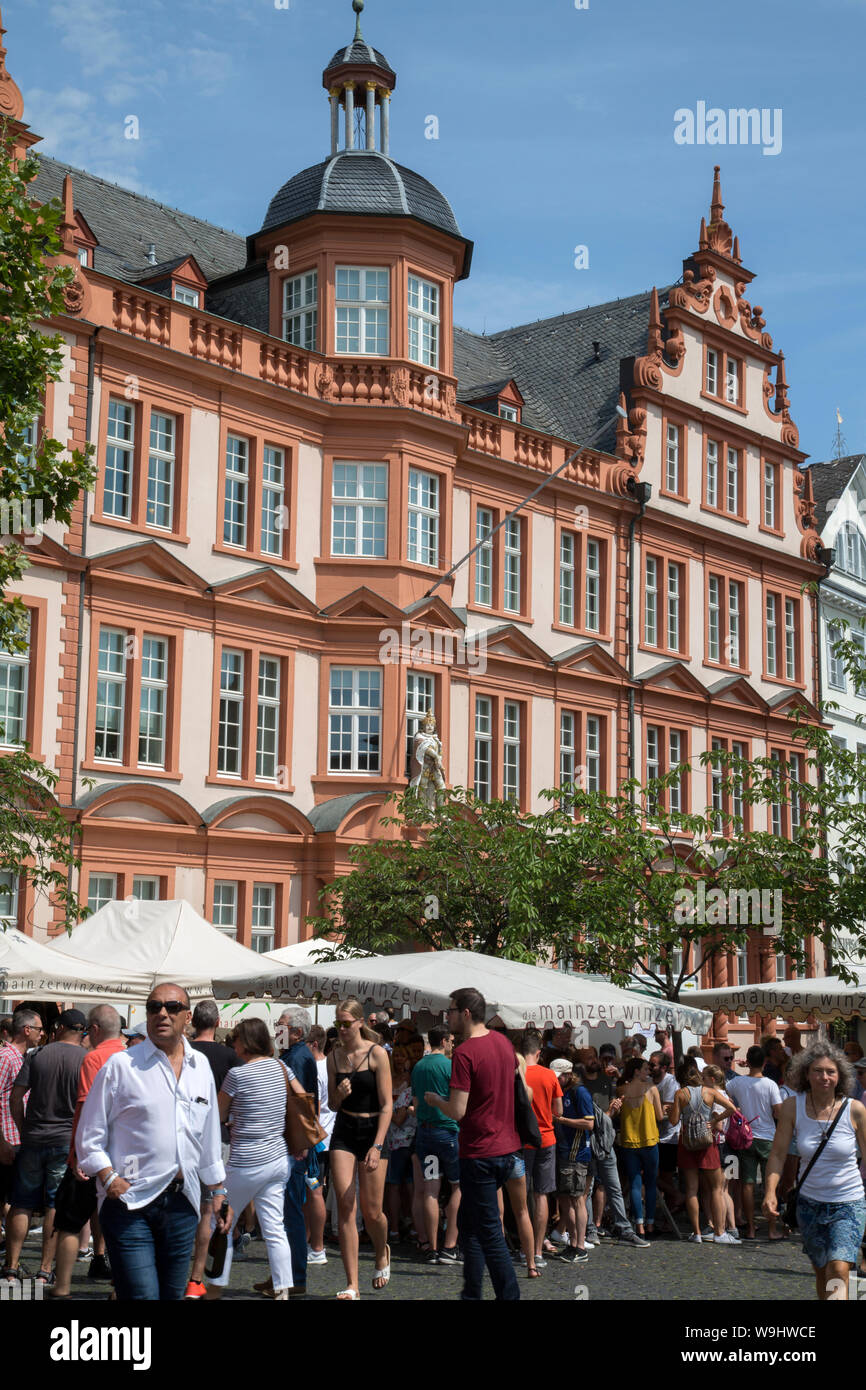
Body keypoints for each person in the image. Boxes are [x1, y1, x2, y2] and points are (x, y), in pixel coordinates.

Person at [76, 983, 231, 1301]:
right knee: (142, 1295)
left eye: (172, 1007)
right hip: (130, 1203)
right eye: (154, 1007)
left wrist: (217, 1190)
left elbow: (209, 1134)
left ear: (187, 1016)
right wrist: (108, 1177)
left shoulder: (199, 1065)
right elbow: (88, 1137)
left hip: (182, 1204)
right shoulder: (122, 1066)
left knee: (172, 1295)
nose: (162, 1013)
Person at [424, 988, 521, 1301]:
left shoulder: (465, 1053)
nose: (447, 1016)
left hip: (480, 1151)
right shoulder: (504, 1043)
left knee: (491, 1232)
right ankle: (471, 1292)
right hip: (507, 1148)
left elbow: (458, 1111)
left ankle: (509, 1295)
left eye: (450, 1010)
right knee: (469, 1224)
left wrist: (436, 1100)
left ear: (465, 1012)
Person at [208, 1018, 307, 1301]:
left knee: (223, 1224)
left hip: (246, 1160)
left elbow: (218, 1114)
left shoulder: (237, 1075)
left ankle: (214, 1287)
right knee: (275, 1227)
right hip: (277, 1157)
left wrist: (238, 1118)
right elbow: (302, 1097)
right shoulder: (281, 1067)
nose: (233, 1044)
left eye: (236, 1038)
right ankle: (282, 1289)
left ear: (246, 1041)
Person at [763, 1042, 866, 1300]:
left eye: (830, 1071)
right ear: (805, 1074)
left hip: (848, 1203)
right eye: (818, 1071)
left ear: (840, 1075)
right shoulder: (792, 1107)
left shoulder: (854, 1110)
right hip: (809, 1204)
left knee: (839, 1268)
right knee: (821, 1272)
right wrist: (770, 1192)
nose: (824, 1077)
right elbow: (777, 1154)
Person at [2, 1009, 86, 1286]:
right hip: (64, 1140)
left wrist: (23, 1128)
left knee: (22, 1202)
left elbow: (16, 1097)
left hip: (34, 1137)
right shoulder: (86, 1059)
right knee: (53, 1204)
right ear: (83, 1031)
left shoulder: (36, 1055)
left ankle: (11, 1269)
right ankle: (44, 1271)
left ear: (59, 1027)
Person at [49, 1004, 126, 1298]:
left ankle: (63, 1286)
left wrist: (77, 1154)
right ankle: (119, 1288)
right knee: (122, 1223)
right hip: (122, 1154)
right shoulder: (133, 1056)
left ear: (93, 1030)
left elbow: (84, 1108)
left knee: (70, 1221)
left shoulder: (95, 1058)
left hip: (94, 1152)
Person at [327, 998, 392, 1300]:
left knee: (372, 1210)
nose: (341, 1029)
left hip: (373, 1131)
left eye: (346, 1023)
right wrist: (338, 1095)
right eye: (338, 1023)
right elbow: (331, 1104)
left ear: (360, 1022)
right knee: (345, 1204)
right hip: (344, 1130)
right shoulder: (334, 1056)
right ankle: (352, 1284)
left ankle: (381, 1251)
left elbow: (388, 1105)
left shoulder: (377, 1054)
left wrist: (378, 1146)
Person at [184, 1000, 242, 1298]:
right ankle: (195, 1277)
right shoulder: (230, 1056)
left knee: (181, 1206)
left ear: (193, 1021)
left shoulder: (184, 1052)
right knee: (209, 1207)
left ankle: (177, 1270)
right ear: (218, 1022)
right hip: (217, 1136)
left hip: (185, 1136)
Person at [670, 1058, 738, 1244]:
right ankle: (720, 1233)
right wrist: (715, 1121)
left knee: (692, 1190)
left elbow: (674, 1121)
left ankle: (697, 1233)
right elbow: (732, 1108)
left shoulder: (680, 1094)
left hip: (687, 1143)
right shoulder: (709, 1091)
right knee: (716, 1188)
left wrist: (671, 1110)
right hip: (707, 1142)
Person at [277, 1005, 318, 1299]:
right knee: (283, 1212)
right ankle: (284, 1274)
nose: (276, 1030)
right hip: (288, 1143)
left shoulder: (299, 1057)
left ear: (297, 1032)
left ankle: (295, 1277)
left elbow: (304, 1102)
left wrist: (301, 1143)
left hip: (294, 1146)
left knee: (291, 1211)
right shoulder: (290, 1055)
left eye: (281, 1026)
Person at [410, 1026, 461, 1263]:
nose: (453, 1043)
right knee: (457, 1187)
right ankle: (449, 1245)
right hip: (447, 1133)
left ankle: (432, 1247)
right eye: (451, 1040)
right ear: (443, 1040)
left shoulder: (419, 1066)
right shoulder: (450, 1066)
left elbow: (416, 1100)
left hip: (425, 1134)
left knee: (430, 1189)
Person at [727, 1045, 783, 1240]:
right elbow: (778, 1111)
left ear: (747, 1062)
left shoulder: (737, 1082)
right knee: (770, 1185)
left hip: (745, 1137)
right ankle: (772, 1229)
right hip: (767, 1138)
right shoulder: (770, 1085)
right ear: (765, 1062)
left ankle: (750, 1228)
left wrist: (736, 1109)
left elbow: (725, 1097)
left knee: (747, 1184)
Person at [0, 1010, 44, 1255]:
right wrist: (2, 1141)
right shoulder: (6, 1057)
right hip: (7, 1139)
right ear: (27, 1030)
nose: (42, 1034)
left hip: (17, 1138)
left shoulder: (23, 1057)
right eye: (39, 1029)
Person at [520, 1032, 562, 1271]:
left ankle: (524, 1250)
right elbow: (558, 1110)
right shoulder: (549, 1075)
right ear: (539, 1053)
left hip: (521, 1141)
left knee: (521, 1199)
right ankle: (537, 1251)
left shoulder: (515, 1074)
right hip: (546, 1139)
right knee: (542, 1195)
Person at [617, 1056, 665, 1238]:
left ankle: (639, 1225)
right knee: (651, 1184)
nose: (649, 1071)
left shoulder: (621, 1089)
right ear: (637, 1071)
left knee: (635, 1184)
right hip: (649, 1141)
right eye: (645, 1069)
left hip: (629, 1142)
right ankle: (650, 1224)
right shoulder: (652, 1089)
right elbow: (660, 1116)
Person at [552, 1059, 594, 1262]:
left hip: (577, 1154)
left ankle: (580, 1246)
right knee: (565, 1198)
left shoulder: (580, 1092)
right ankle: (573, 1243)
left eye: (559, 1076)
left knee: (577, 1199)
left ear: (568, 1074)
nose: (556, 1080)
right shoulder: (563, 1092)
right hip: (564, 1152)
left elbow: (589, 1124)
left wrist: (562, 1121)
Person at [307, 1024, 335, 1259]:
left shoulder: (315, 1068)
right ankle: (315, 1240)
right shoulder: (331, 1065)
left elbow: (314, 1109)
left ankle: (315, 1244)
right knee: (320, 1190)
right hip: (330, 1136)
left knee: (314, 1191)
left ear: (314, 1044)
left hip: (318, 1138)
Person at [384, 1042, 416, 1242]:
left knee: (409, 1185)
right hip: (390, 1138)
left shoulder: (411, 1081)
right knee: (394, 1185)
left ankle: (413, 1224)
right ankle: (395, 1227)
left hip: (408, 1137)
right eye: (395, 1055)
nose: (398, 1059)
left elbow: (399, 1117)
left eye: (402, 1056)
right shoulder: (387, 1079)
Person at [650, 1049, 684, 1224]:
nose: (649, 1067)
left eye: (653, 1064)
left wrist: (654, 1111)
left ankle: (671, 1210)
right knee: (650, 1174)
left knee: (666, 1176)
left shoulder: (671, 1083)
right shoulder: (649, 1081)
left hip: (669, 1136)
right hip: (653, 1135)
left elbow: (667, 1108)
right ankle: (674, 1199)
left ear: (663, 1067)